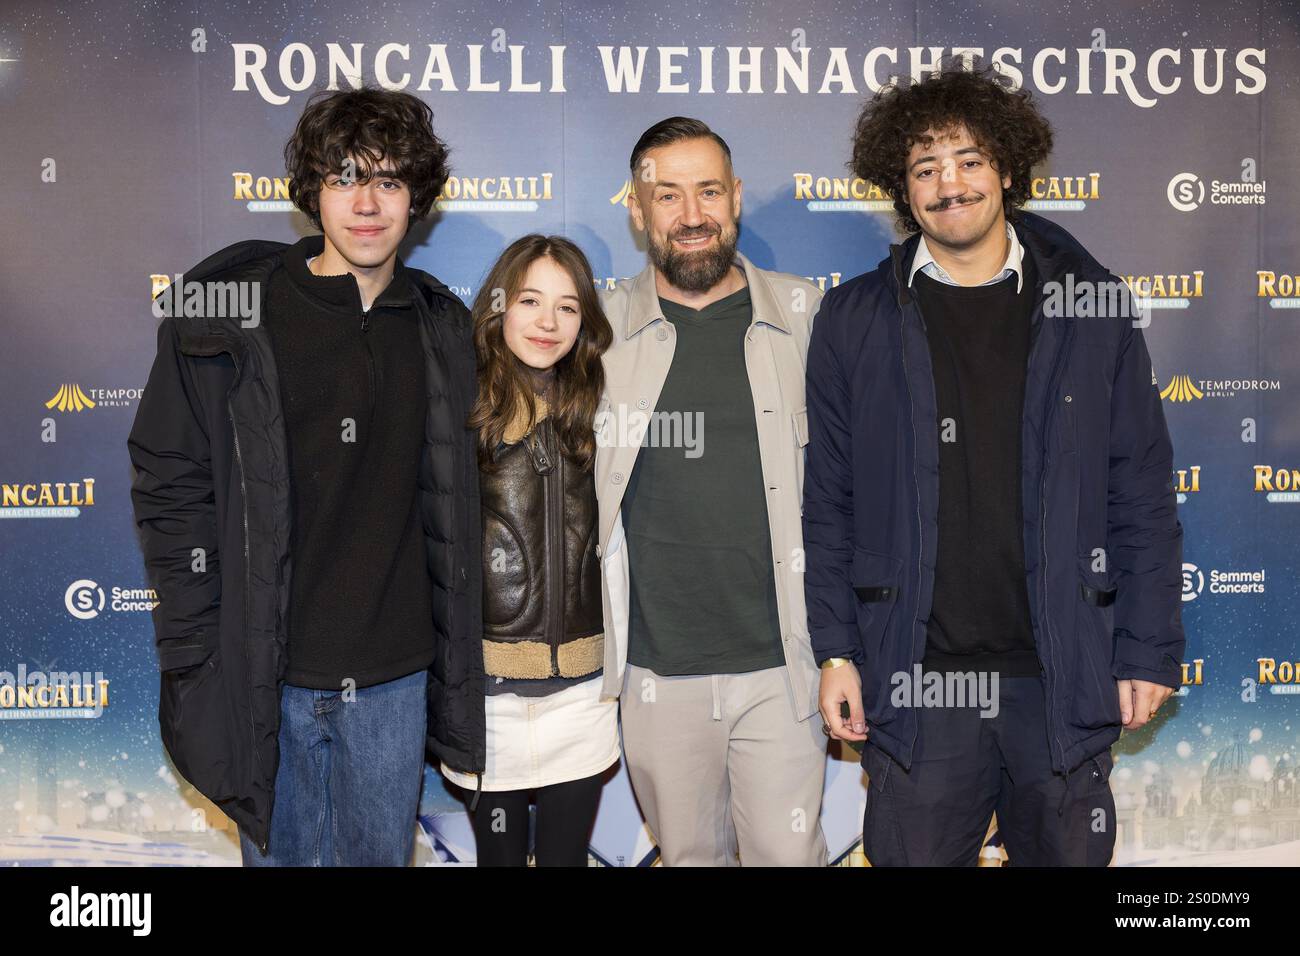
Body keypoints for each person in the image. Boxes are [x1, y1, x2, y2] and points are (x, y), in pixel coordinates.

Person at [805, 64, 1185, 866]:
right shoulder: (853, 318)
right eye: (925, 168)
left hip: (1061, 671)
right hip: (919, 680)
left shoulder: (1095, 307)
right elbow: (830, 500)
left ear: (1007, 169)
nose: (950, 185)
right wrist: (837, 651)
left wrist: (1146, 651)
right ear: (901, 191)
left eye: (969, 160)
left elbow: (1141, 492)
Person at [127, 87, 481, 866]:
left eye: (389, 181)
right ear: (312, 191)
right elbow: (171, 486)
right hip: (268, 675)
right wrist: (196, 648)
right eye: (345, 175)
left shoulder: (440, 327)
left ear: (416, 199)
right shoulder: (230, 314)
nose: (366, 201)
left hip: (392, 683)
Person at [594, 117, 828, 866]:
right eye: (667, 196)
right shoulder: (590, 332)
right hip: (656, 676)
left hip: (785, 672)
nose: (691, 216)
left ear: (736, 198)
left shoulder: (810, 319)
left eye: (708, 192)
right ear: (636, 209)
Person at [436, 234, 618, 867]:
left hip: (583, 692)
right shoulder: (459, 403)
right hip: (490, 699)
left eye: (568, 307)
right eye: (530, 300)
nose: (547, 322)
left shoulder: (599, 402)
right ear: (498, 306)